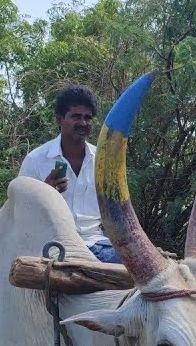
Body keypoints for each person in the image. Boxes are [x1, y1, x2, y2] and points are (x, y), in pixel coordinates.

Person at [18, 85, 121, 263]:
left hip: (97, 245)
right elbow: (19, 215)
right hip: (53, 246)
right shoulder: (35, 160)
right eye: (76, 116)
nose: (83, 123)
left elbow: (116, 210)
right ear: (59, 120)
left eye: (88, 118)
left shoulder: (103, 161)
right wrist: (44, 193)